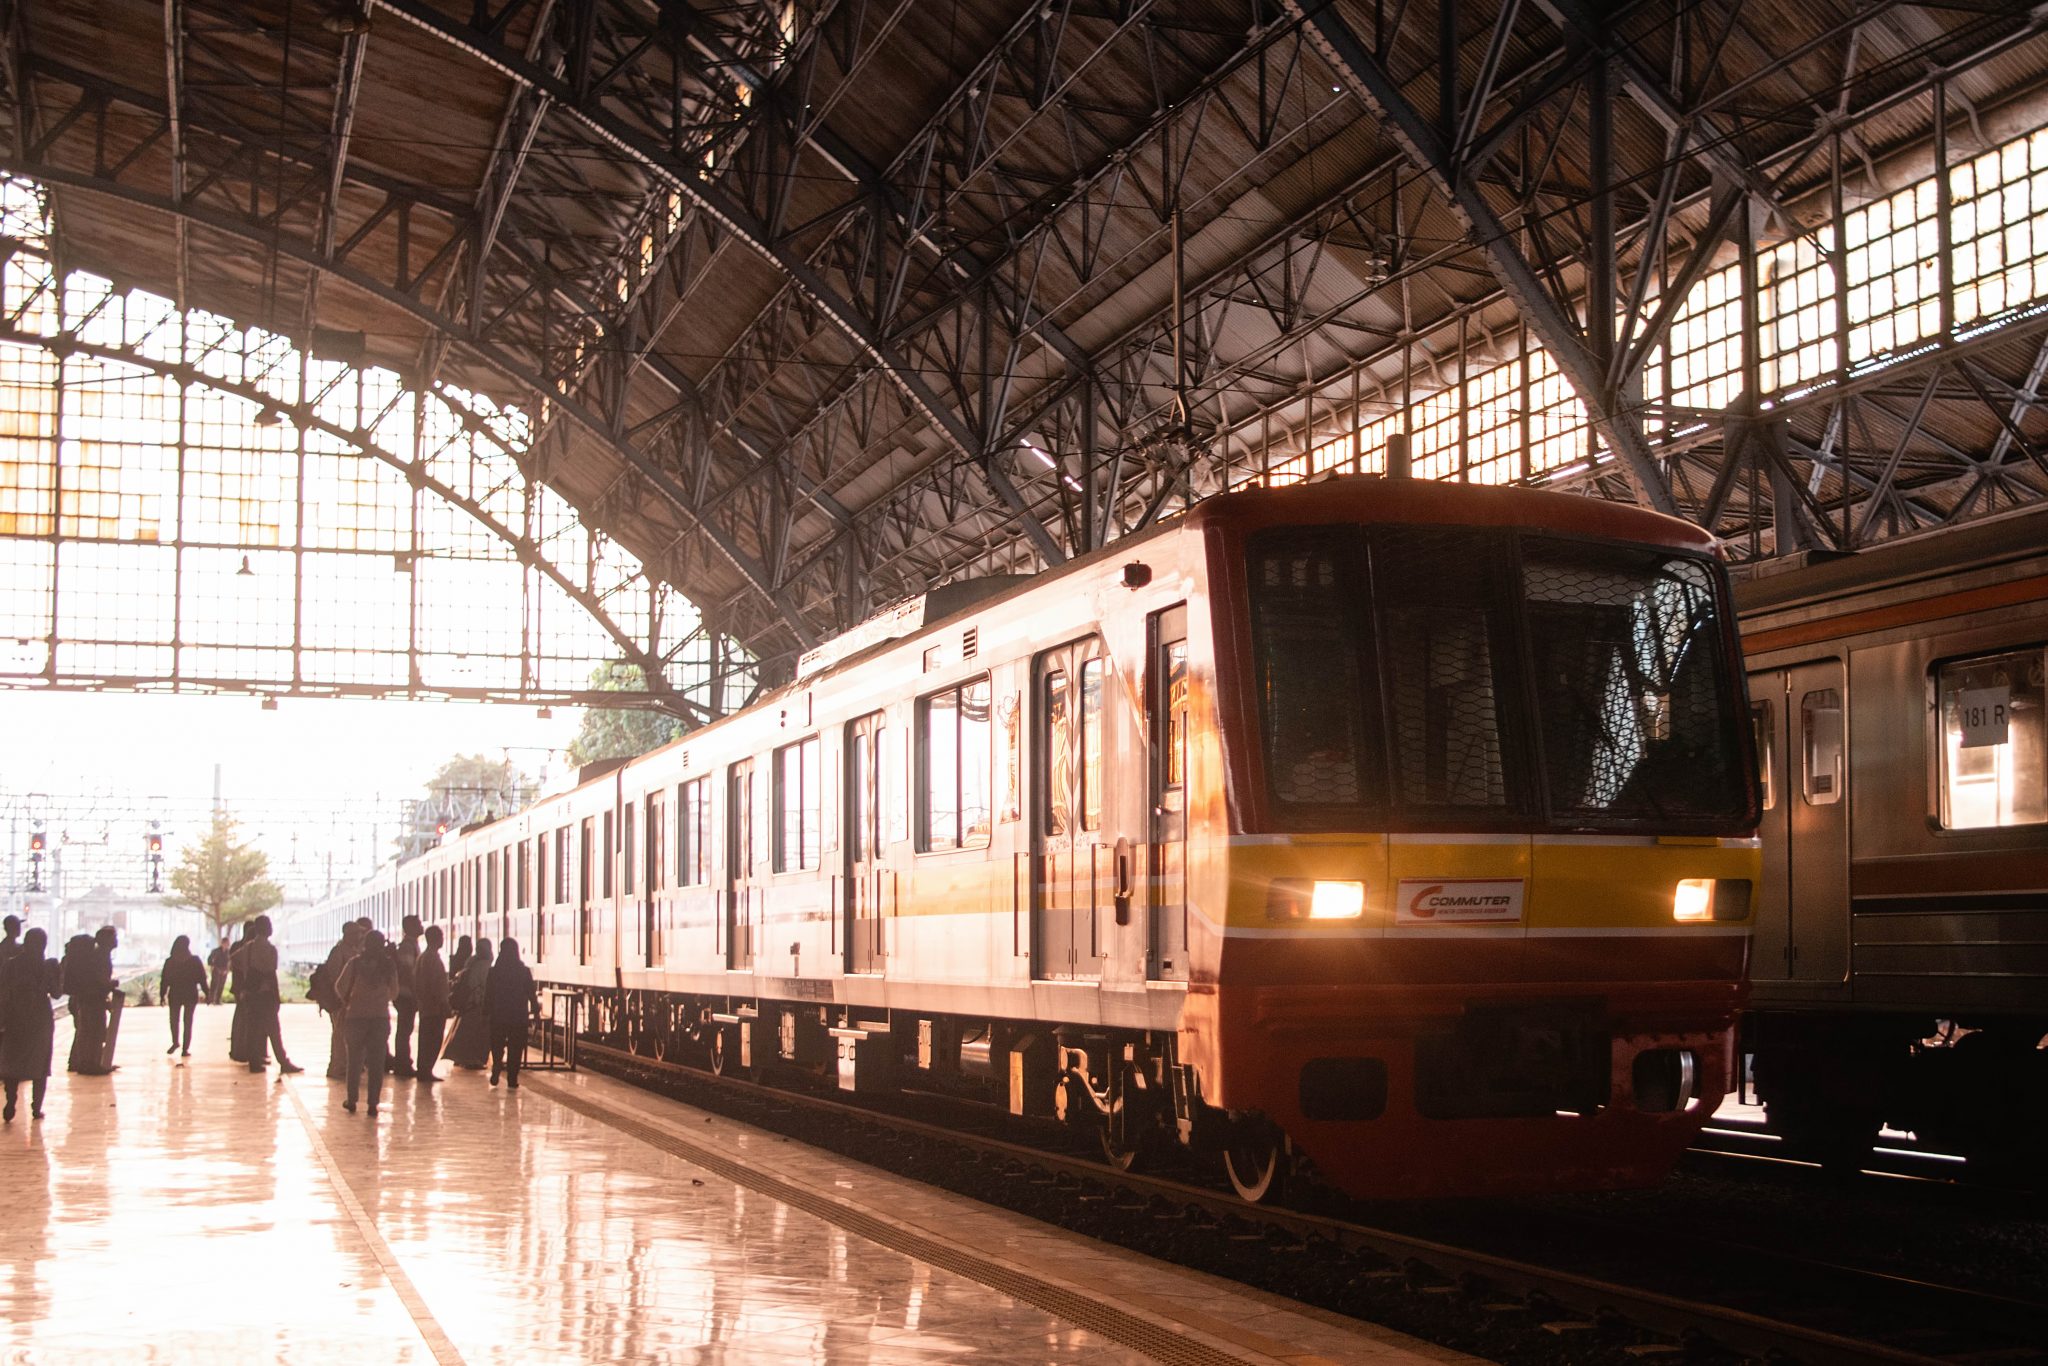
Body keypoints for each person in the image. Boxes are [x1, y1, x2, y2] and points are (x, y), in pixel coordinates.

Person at [0, 928, 63, 1121]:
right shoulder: (47, 967)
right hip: (40, 1019)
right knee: (40, 1064)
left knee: (13, 1063)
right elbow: (57, 994)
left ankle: (11, 1101)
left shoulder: (12, 965)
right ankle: (36, 1107)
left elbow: (3, 992)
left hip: (16, 1018)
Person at [334, 930, 398, 1116]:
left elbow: (339, 986)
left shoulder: (355, 963)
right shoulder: (388, 965)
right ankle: (372, 1103)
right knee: (377, 1063)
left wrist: (350, 999)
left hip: (355, 1017)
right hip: (379, 1018)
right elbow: (394, 992)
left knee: (354, 1061)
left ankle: (352, 1100)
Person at [240, 916, 301, 1075]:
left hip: (251, 994)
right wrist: (275, 997)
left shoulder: (248, 947)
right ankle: (283, 1061)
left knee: (252, 1029)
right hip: (265, 995)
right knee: (274, 1030)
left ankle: (254, 1062)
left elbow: (242, 967)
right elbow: (270, 973)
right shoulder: (270, 949)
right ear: (266, 928)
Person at [485, 938, 540, 1089]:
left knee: (497, 1044)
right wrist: (536, 1010)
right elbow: (531, 993)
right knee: (516, 1047)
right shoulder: (523, 971)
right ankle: (512, 1078)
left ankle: (497, 1065)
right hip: (518, 1015)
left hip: (498, 1014)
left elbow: (488, 994)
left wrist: (486, 1011)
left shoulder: (494, 972)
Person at [314, 921, 365, 1080]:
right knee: (339, 1034)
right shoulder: (339, 951)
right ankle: (336, 1066)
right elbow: (335, 977)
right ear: (349, 935)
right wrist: (342, 998)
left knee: (345, 1034)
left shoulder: (351, 950)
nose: (359, 936)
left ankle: (344, 1065)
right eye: (357, 933)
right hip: (340, 1001)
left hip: (349, 1000)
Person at [63, 928, 117, 1075]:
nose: (116, 940)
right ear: (105, 939)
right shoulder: (100, 956)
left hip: (90, 998)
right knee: (93, 1031)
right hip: (92, 999)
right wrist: (111, 984)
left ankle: (90, 1062)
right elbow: (98, 980)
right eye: (114, 937)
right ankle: (89, 1064)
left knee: (91, 1031)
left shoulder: (99, 955)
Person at [442, 937, 492, 1070]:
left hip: (467, 1002)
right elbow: (483, 984)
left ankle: (460, 1058)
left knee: (463, 1031)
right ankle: (472, 1060)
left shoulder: (472, 961)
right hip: (476, 1003)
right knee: (475, 1033)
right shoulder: (484, 965)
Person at [160, 934, 208, 1058]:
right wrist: (208, 994)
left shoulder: (170, 962)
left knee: (174, 1020)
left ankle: (175, 1042)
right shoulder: (194, 960)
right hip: (190, 994)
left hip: (175, 994)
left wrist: (162, 995)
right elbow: (202, 979)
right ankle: (185, 1049)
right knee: (188, 1021)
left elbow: (164, 980)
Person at [413, 924, 449, 1084]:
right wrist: (443, 1003)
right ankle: (425, 1070)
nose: (442, 939)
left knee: (427, 1039)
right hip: (433, 1006)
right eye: (440, 937)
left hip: (427, 1006)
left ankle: (425, 1069)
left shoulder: (424, 957)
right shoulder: (431, 958)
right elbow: (435, 984)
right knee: (432, 1039)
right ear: (435, 939)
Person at [390, 915, 422, 1080]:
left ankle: (403, 1062)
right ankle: (402, 1064)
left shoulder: (410, 945)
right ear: (410, 927)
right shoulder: (408, 947)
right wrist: (416, 993)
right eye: (418, 923)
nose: (421, 926)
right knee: (404, 1030)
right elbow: (408, 972)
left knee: (405, 1029)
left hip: (405, 994)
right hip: (406, 994)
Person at [206, 940, 229, 1006]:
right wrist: (213, 966)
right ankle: (211, 999)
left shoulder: (228, 952)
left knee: (221, 985)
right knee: (214, 984)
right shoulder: (216, 951)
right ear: (222, 943)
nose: (227, 945)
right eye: (226, 943)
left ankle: (218, 1000)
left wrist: (227, 970)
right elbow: (210, 959)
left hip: (224, 970)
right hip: (216, 969)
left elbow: (229, 961)